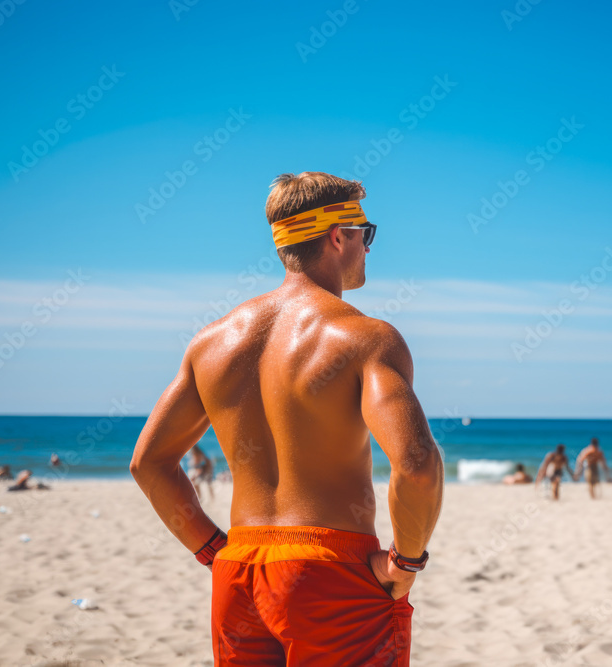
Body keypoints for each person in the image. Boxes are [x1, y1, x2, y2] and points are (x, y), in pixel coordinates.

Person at [130, 171, 444, 666]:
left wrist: (213, 550)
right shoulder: (365, 337)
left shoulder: (212, 342)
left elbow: (148, 463)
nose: (368, 247)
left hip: (239, 573)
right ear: (339, 236)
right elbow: (417, 461)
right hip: (329, 571)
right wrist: (406, 561)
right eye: (367, 233)